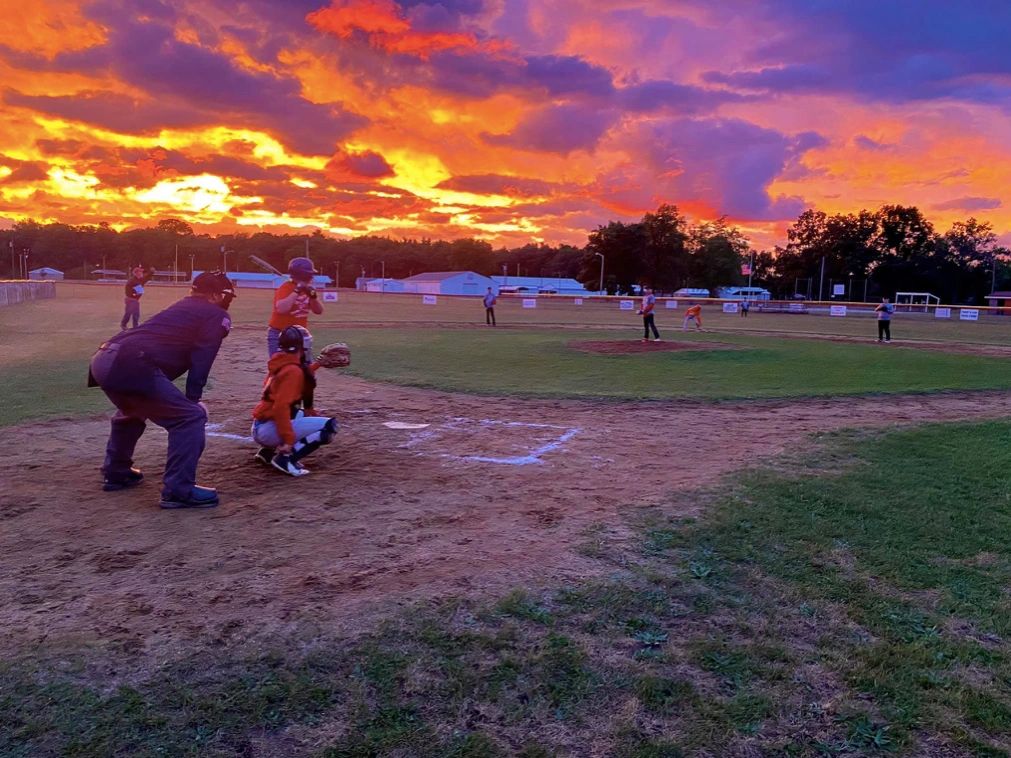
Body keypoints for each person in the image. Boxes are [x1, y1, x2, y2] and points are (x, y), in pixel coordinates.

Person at [88, 271, 235, 509]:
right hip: (130, 361)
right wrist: (193, 399)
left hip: (105, 357)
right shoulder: (215, 314)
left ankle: (116, 471)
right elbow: (203, 356)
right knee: (190, 418)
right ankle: (178, 490)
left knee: (132, 411)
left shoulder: (183, 305)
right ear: (216, 295)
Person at [251, 325, 338, 476]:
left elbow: (301, 374)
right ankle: (286, 459)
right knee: (329, 426)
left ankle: (267, 452)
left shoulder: (282, 363)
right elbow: (280, 407)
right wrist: (288, 440)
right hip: (267, 430)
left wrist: (318, 364)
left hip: (261, 424)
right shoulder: (293, 371)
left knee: (298, 412)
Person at [267, 257, 324, 357]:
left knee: (305, 364)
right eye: (310, 275)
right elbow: (281, 309)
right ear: (304, 275)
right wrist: (296, 291)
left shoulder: (308, 289)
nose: (312, 277)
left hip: (300, 335)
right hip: (280, 334)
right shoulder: (286, 287)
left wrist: (313, 297)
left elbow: (319, 311)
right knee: (280, 365)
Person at [121, 264, 154, 330]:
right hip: (131, 299)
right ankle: (132, 326)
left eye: (141, 272)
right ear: (136, 273)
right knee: (134, 313)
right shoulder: (132, 281)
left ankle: (125, 324)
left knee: (130, 313)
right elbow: (129, 292)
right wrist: (134, 294)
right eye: (140, 272)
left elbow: (147, 277)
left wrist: (151, 272)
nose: (142, 273)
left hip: (134, 299)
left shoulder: (140, 279)